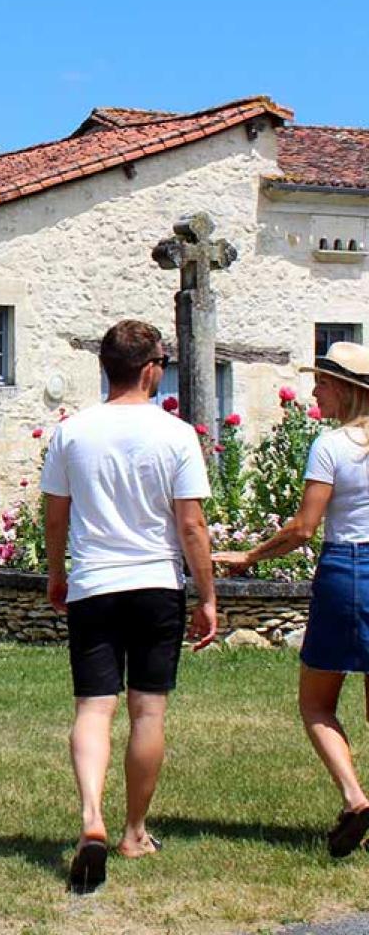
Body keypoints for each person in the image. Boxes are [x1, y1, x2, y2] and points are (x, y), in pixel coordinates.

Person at [42, 319, 218, 894]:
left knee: (93, 710)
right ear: (150, 369)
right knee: (147, 713)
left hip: (94, 584)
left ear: (105, 367)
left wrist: (56, 574)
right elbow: (190, 525)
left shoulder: (72, 432)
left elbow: (56, 514)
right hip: (154, 586)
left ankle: (91, 816)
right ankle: (134, 831)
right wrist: (208, 596)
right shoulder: (175, 434)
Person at [214, 341, 369, 858]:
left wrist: (249, 557)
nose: (314, 391)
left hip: (347, 572)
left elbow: (304, 529)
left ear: (346, 390)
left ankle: (354, 798)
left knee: (315, 703)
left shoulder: (331, 446)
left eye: (322, 383)